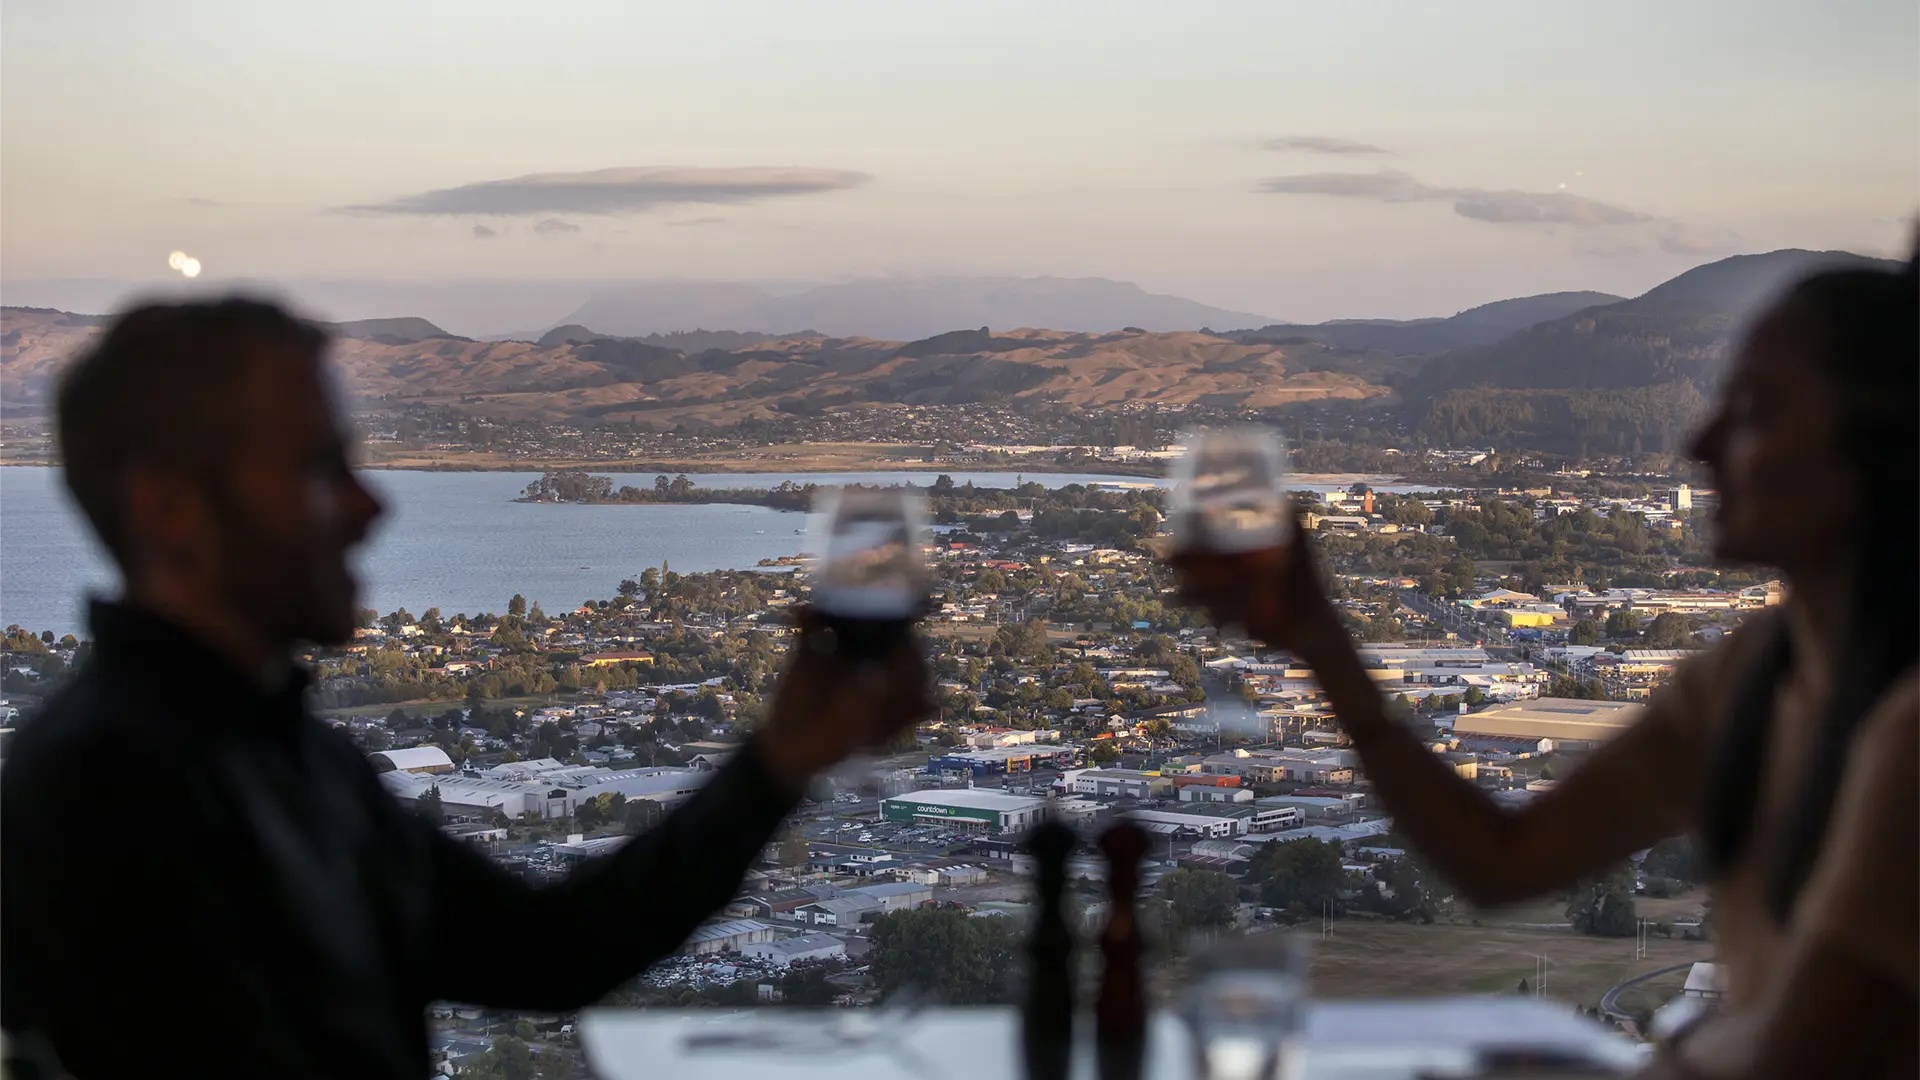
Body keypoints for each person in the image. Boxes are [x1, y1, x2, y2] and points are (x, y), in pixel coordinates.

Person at [0, 299, 931, 1078]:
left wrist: (776, 762)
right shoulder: (96, 796)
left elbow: (550, 949)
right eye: (320, 469)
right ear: (167, 507)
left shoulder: (292, 759)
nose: (373, 506)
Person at [1173, 253, 1917, 1078]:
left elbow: (1803, 1052)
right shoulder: (1749, 678)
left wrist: (1672, 1045)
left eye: (1754, 410)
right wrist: (1324, 649)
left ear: (1884, 446)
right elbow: (1502, 861)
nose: (1701, 442)